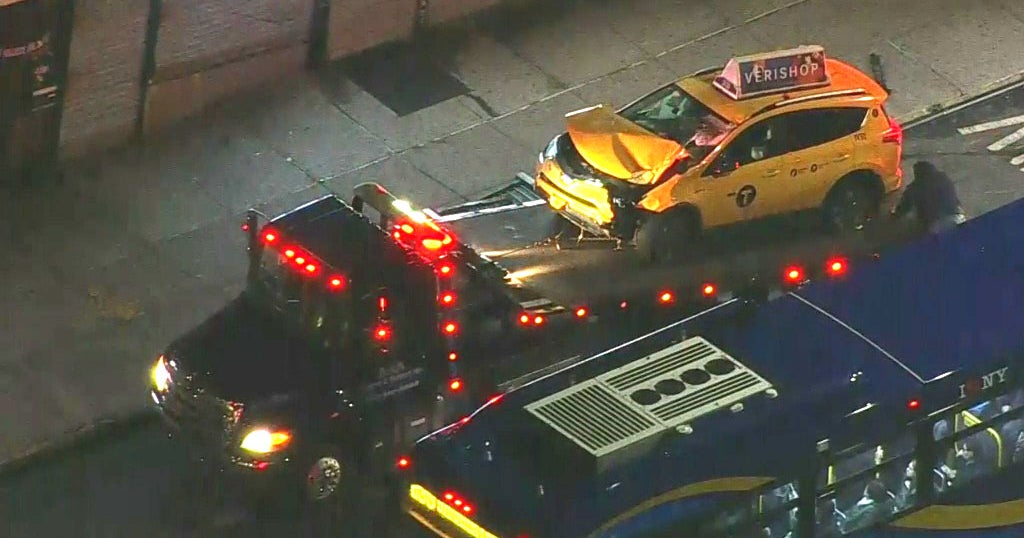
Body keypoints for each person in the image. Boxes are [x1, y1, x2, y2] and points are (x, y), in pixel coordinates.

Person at [891, 161, 967, 233]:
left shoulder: (915, 186)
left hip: (937, 222)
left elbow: (905, 206)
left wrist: (895, 215)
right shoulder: (943, 177)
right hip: (956, 215)